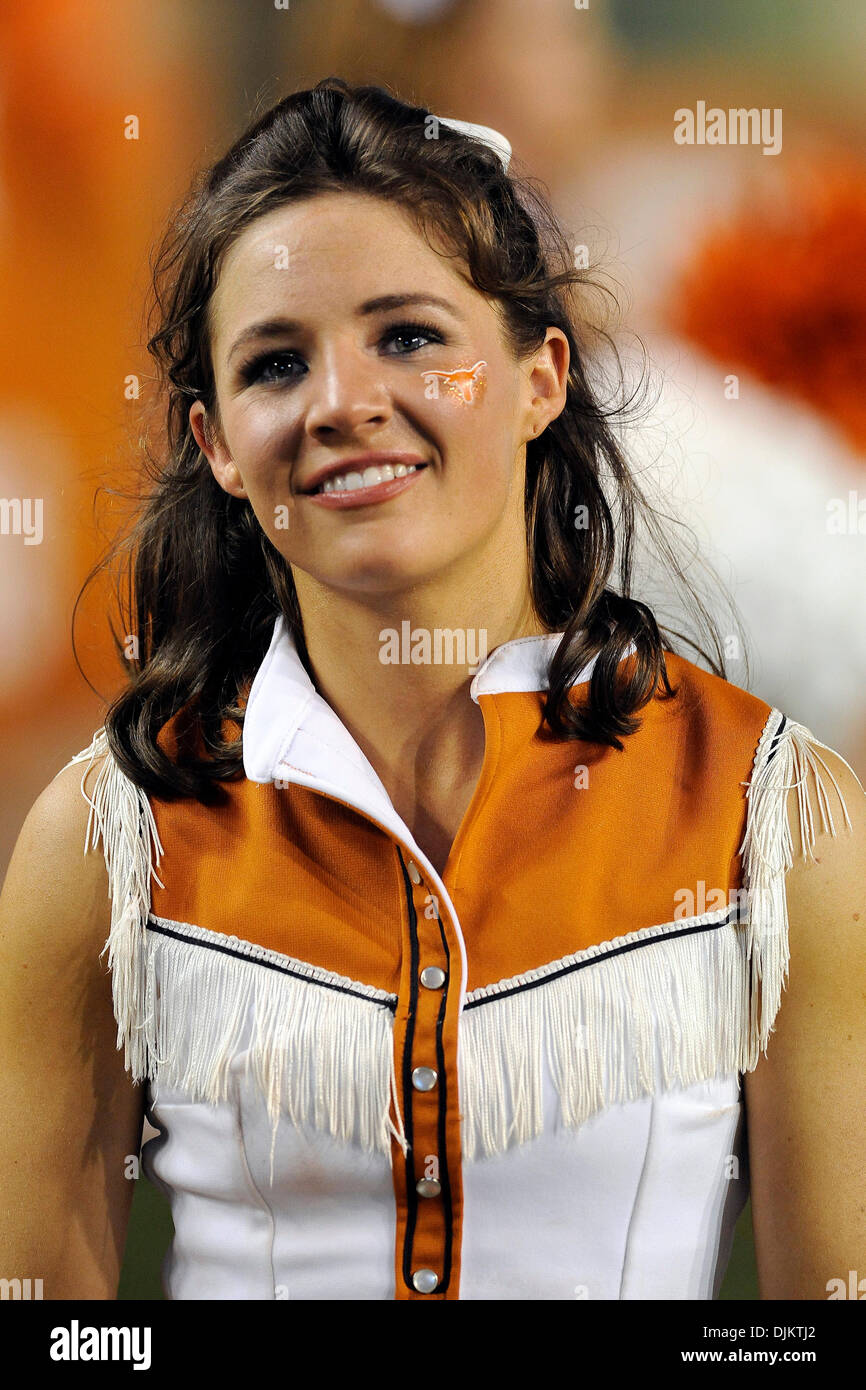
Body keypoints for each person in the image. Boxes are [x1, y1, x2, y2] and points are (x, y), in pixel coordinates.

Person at [1, 78, 864, 1302]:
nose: (343, 404)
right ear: (214, 447)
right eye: (274, 363)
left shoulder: (773, 822)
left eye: (408, 337)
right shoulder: (107, 839)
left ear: (539, 379)